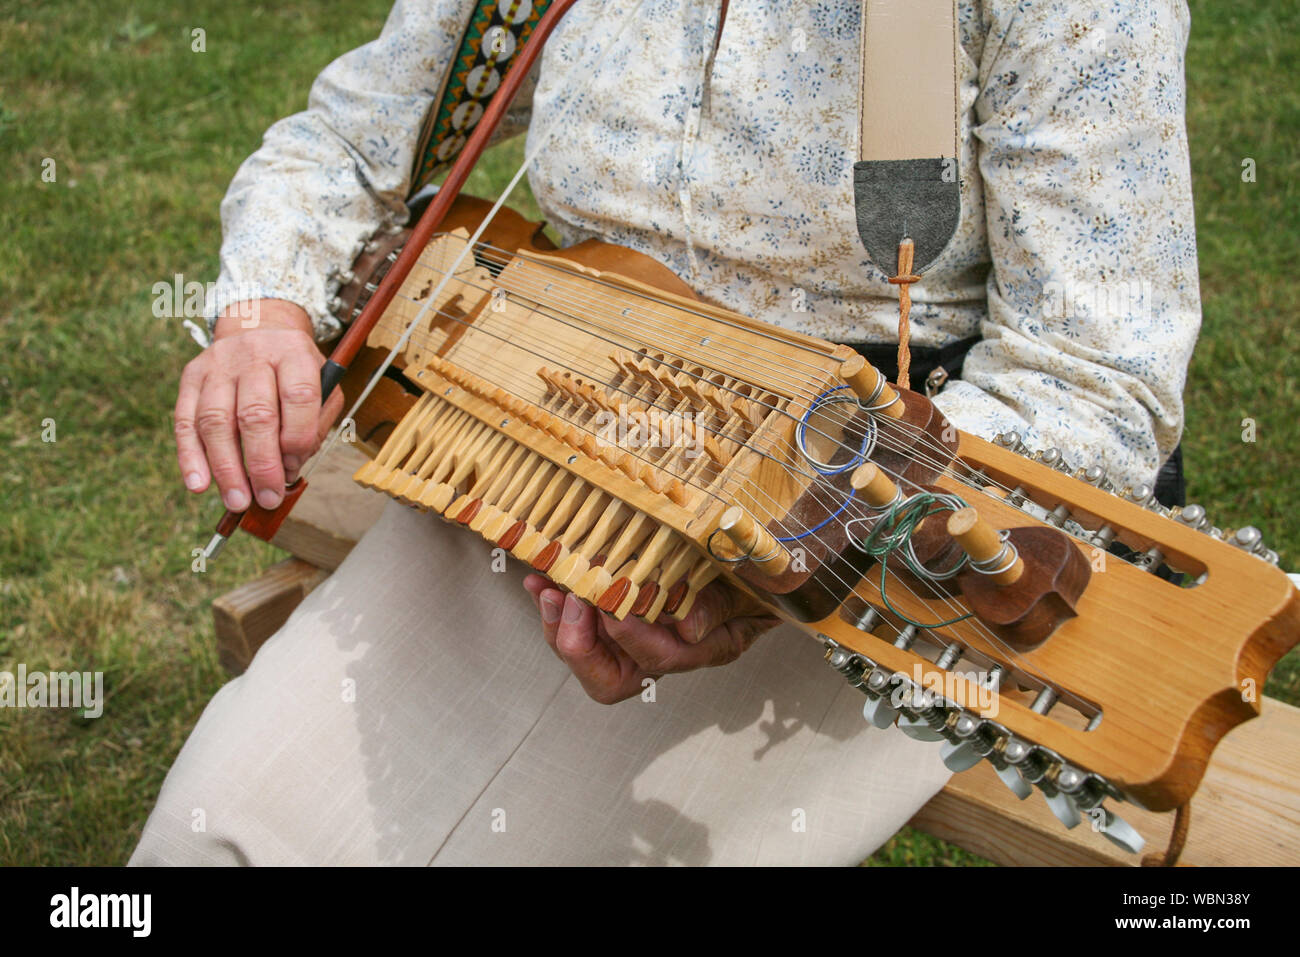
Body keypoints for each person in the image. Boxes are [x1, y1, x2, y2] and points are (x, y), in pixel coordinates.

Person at [133, 0, 1200, 865]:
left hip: (876, 536)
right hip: (546, 434)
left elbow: (1094, 374)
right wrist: (264, 313)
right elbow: (348, 141)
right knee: (219, 831)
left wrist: (787, 558)